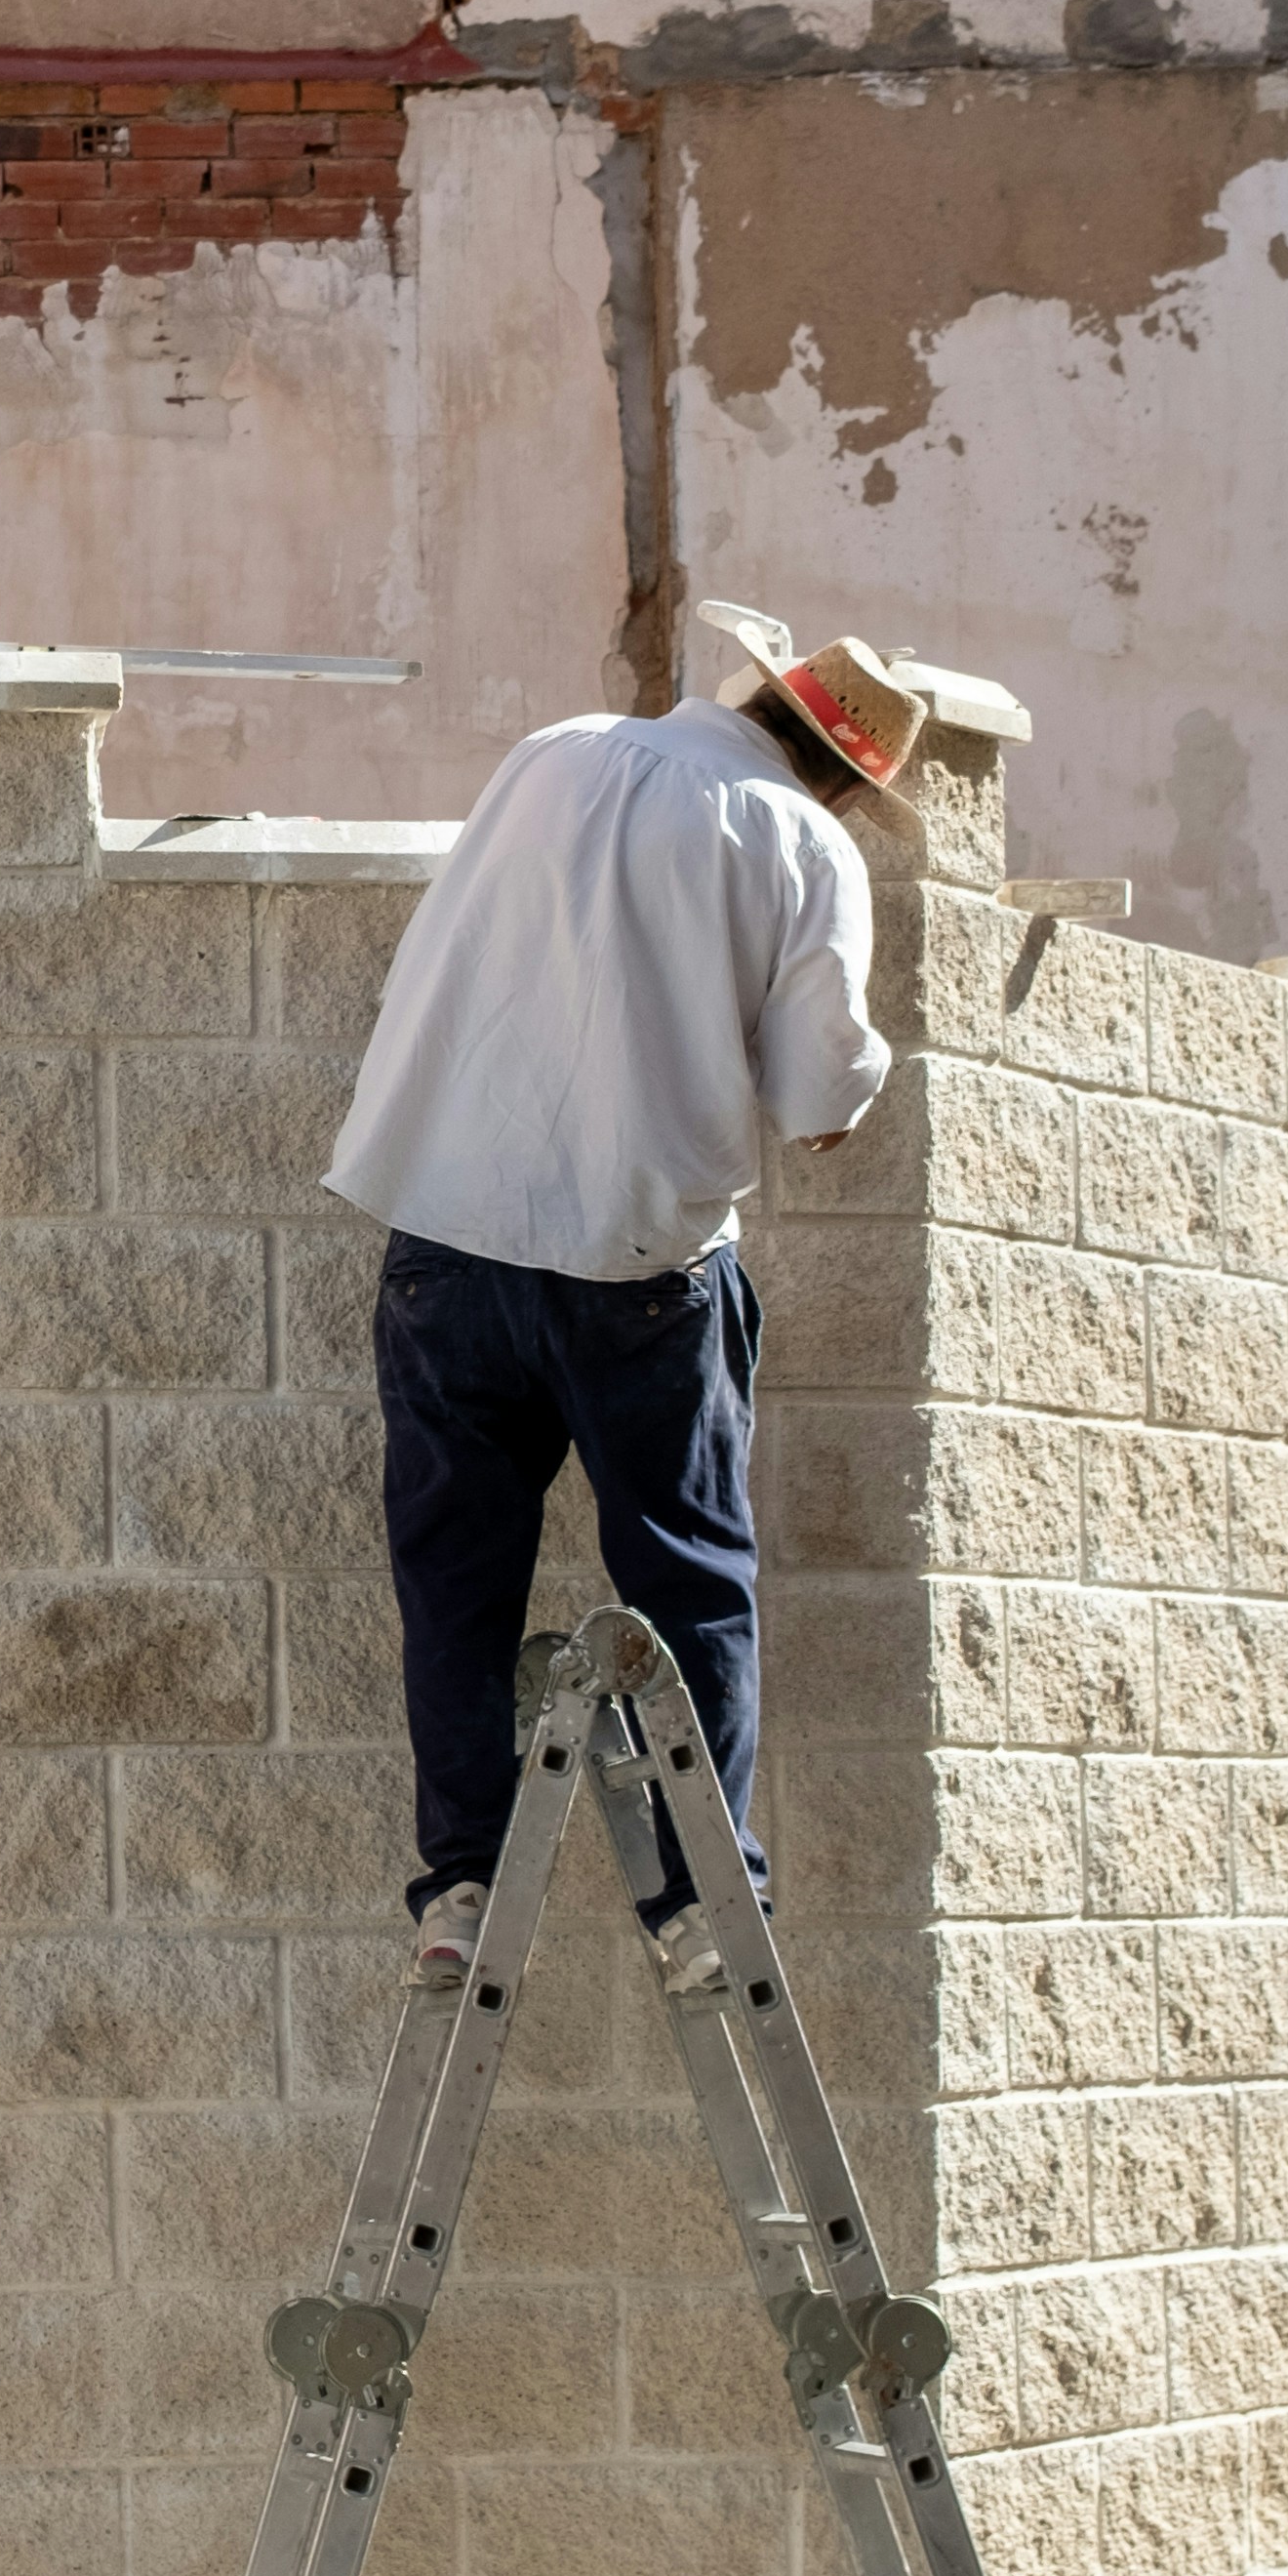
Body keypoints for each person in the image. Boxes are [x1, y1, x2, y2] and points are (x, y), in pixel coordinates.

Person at [318, 611, 903, 1995]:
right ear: (841, 778)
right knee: (691, 1586)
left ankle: (457, 1886)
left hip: (446, 1228)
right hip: (636, 1267)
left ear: (758, 697)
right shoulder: (799, 843)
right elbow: (820, 1092)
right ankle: (705, 1908)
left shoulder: (554, 755)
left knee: (454, 1587)